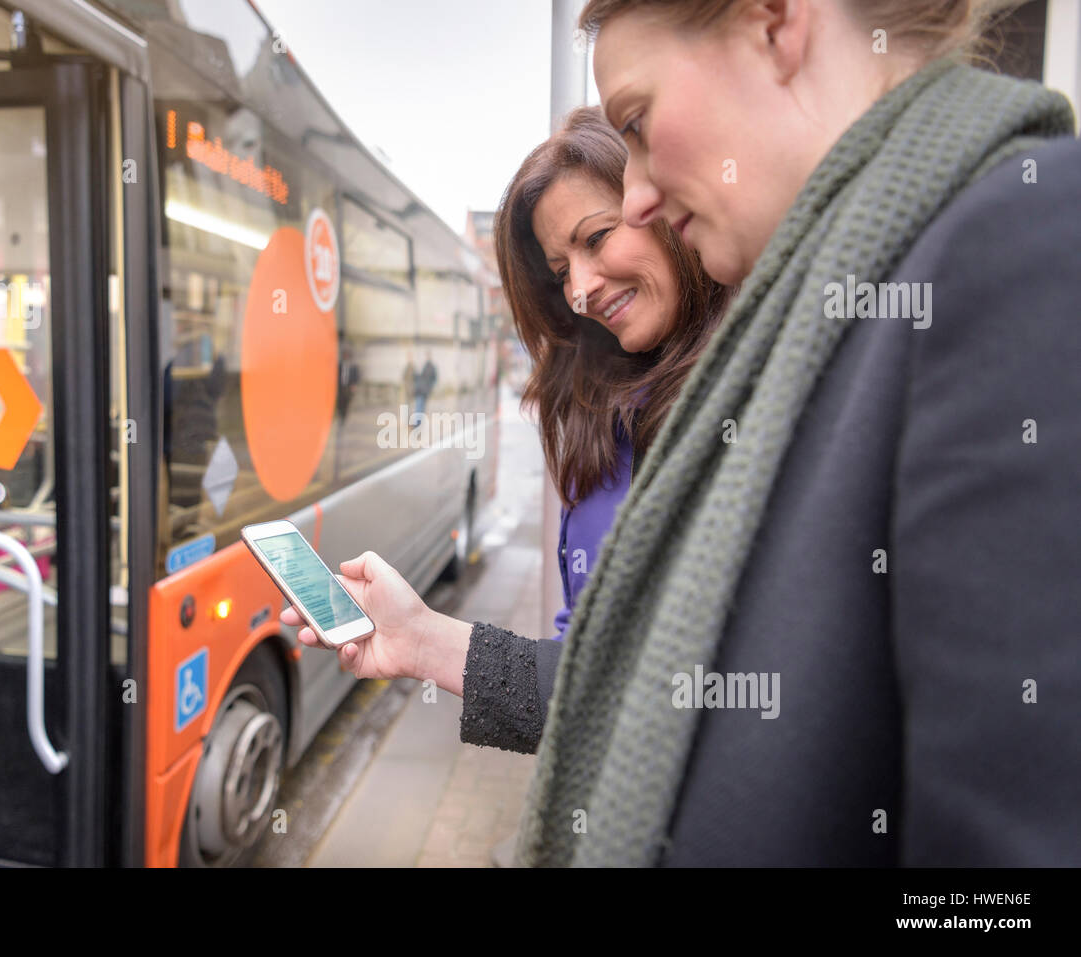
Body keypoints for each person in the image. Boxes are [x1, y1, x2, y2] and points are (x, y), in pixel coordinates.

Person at [303, 0, 1081, 867]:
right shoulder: (804, 331)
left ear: (774, 23)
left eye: (636, 121)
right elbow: (634, 695)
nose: (637, 192)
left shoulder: (1018, 250)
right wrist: (421, 639)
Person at [285, 107, 728, 723]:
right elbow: (585, 680)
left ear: (667, 208)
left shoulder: (756, 407)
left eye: (596, 238)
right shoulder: (605, 419)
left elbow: (659, 705)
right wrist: (419, 638)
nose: (580, 288)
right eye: (560, 270)